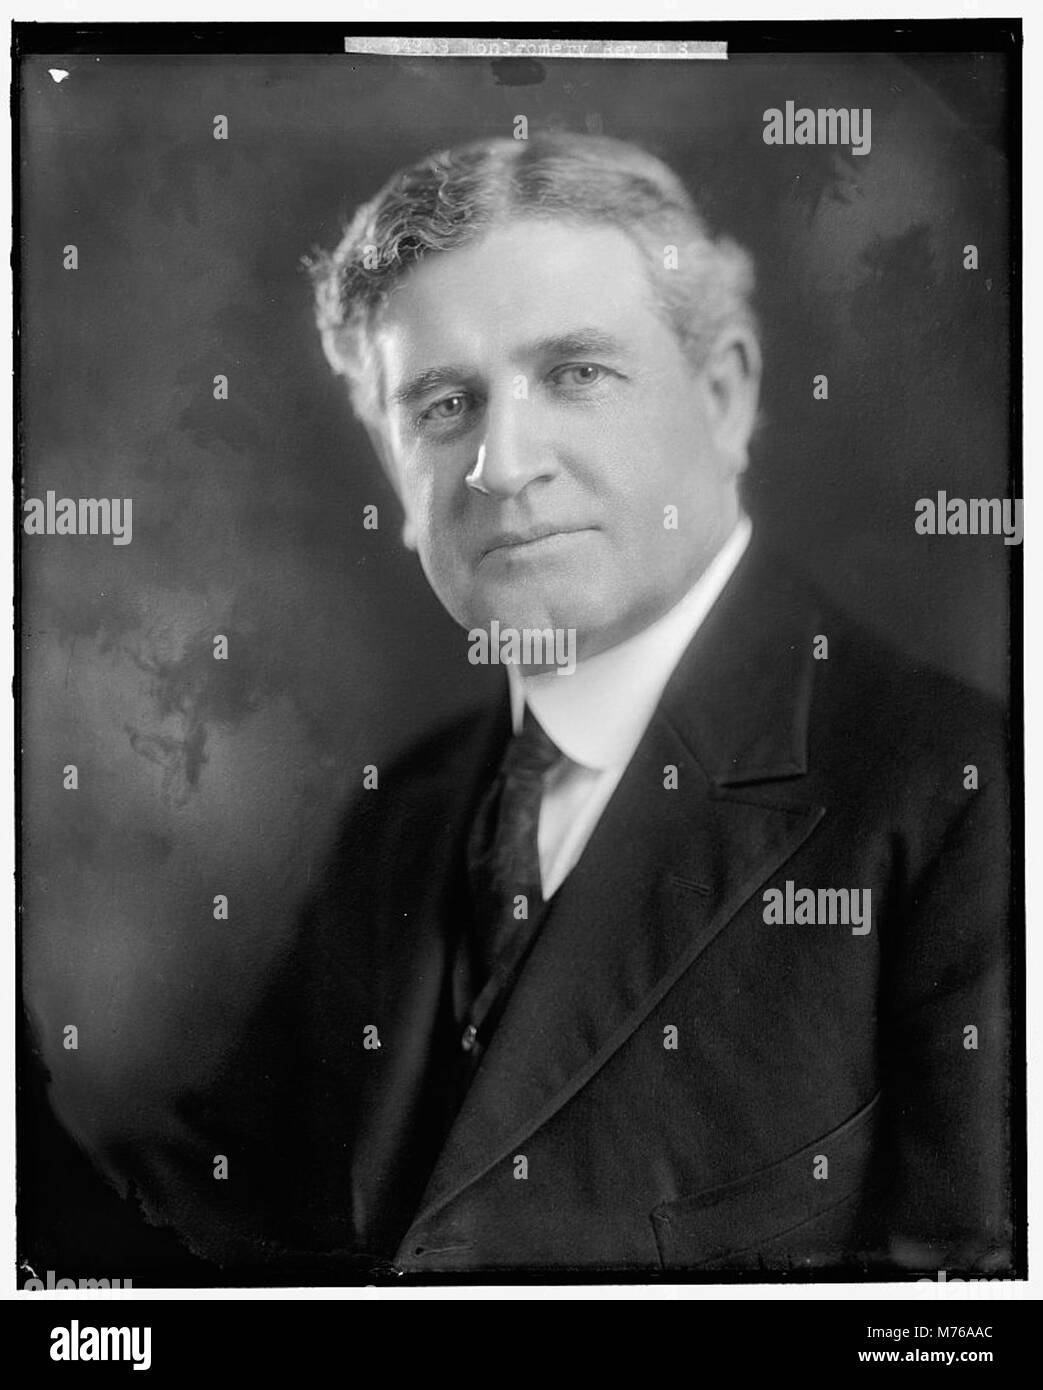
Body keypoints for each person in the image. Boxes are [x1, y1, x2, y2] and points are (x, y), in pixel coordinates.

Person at [135, 132, 1012, 1279]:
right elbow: (213, 1225)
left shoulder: (963, 802)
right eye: (443, 403)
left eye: (575, 373)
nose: (501, 461)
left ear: (725, 394)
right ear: (391, 467)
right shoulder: (406, 811)